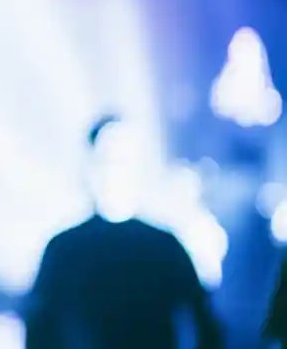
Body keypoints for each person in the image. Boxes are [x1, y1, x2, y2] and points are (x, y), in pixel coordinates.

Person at [24, 116, 222, 349]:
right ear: (91, 168)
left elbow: (205, 325)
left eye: (124, 161)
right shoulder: (63, 251)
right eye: (109, 161)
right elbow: (39, 329)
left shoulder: (165, 248)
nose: (116, 171)